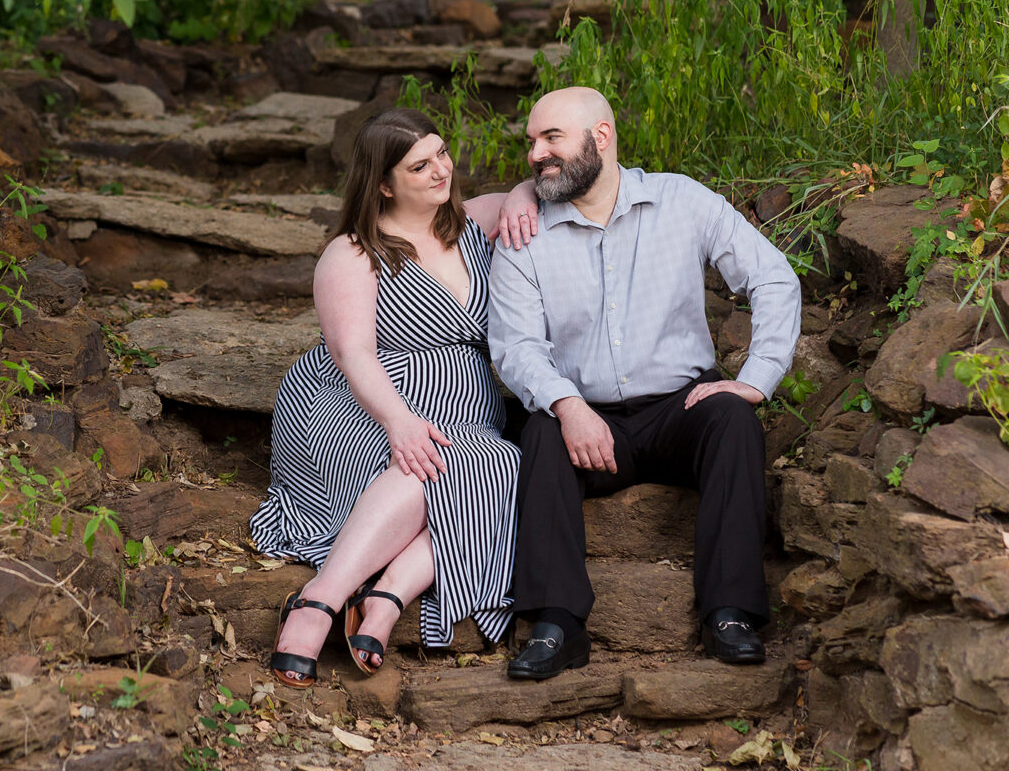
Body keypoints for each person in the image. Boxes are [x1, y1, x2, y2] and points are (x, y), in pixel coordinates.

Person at [487, 86, 800, 680]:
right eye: (531, 142)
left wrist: (756, 380)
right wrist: (566, 403)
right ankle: (557, 625)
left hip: (679, 408)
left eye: (550, 137)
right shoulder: (525, 236)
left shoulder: (681, 200)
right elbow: (516, 346)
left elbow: (774, 279)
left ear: (600, 137)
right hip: (588, 419)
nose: (535, 154)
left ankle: (728, 614)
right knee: (541, 433)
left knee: (734, 420)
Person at [249, 107, 538, 687]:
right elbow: (353, 354)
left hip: (465, 410)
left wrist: (527, 191)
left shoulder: (472, 222)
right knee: (438, 461)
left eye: (441, 153)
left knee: (501, 473)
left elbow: (524, 191)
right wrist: (400, 422)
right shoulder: (354, 252)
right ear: (383, 184)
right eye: (419, 165)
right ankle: (321, 599)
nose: (441, 170)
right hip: (358, 406)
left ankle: (384, 597)